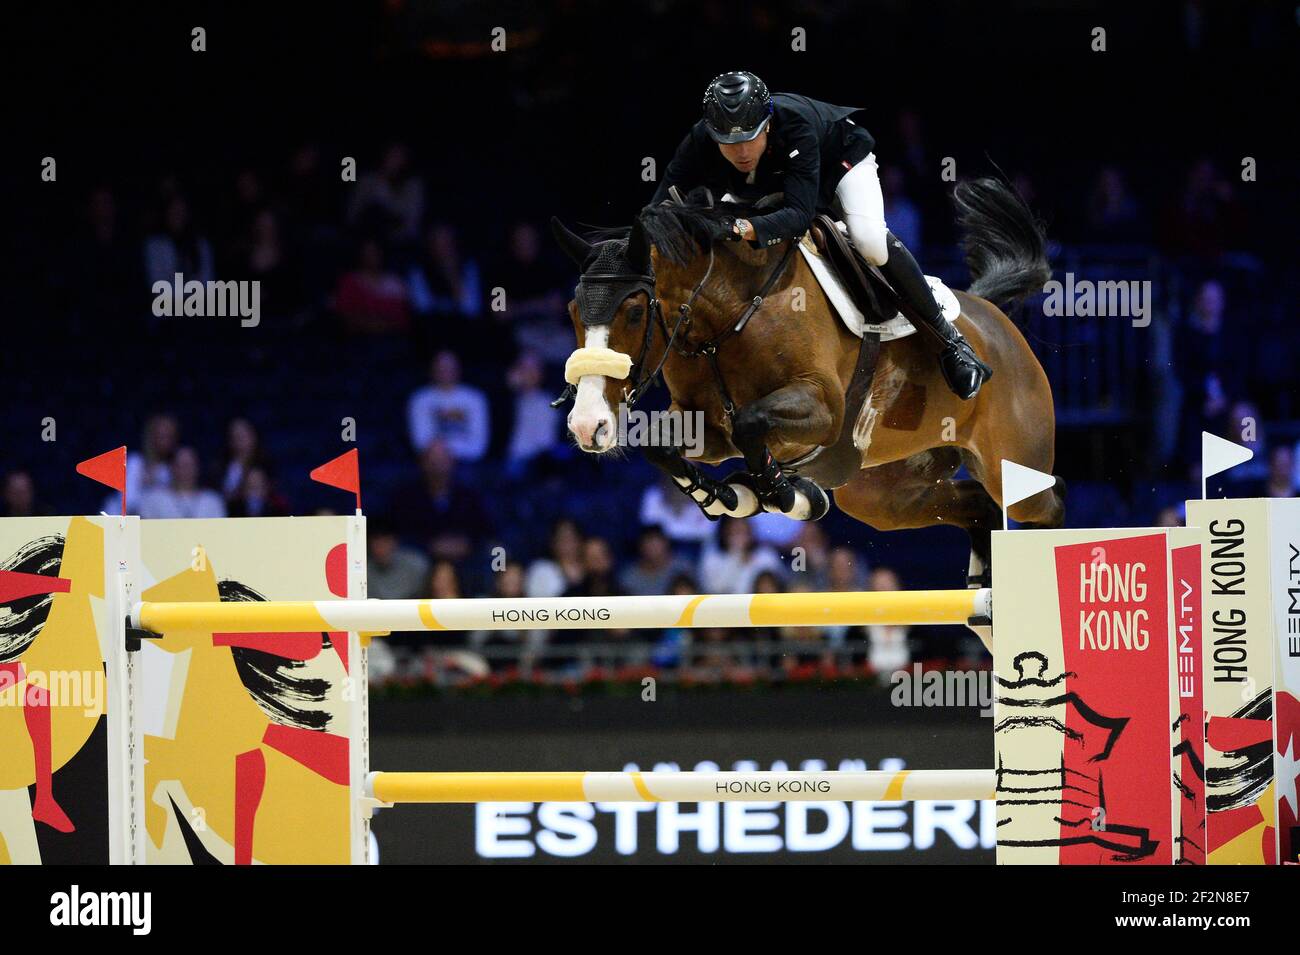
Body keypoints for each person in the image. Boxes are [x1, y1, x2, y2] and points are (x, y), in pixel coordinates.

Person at [652, 71, 990, 399]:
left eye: (751, 136)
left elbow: (799, 216)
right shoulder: (700, 139)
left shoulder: (796, 124)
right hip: (773, 182)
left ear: (768, 122)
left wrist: (737, 227)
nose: (741, 152)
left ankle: (951, 342)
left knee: (869, 239)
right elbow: (659, 207)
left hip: (839, 163)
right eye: (729, 142)